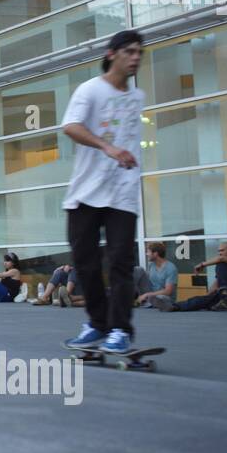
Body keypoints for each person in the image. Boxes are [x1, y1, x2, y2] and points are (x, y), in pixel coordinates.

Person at [62, 30, 146, 356]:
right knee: (84, 261)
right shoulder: (90, 90)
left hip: (123, 193)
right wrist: (107, 147)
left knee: (122, 263)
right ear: (112, 54)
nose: (136, 57)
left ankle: (121, 329)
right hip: (86, 191)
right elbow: (71, 126)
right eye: (129, 51)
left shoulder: (138, 97)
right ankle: (98, 323)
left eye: (139, 52)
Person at [154, 242, 227, 313]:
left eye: (222, 250)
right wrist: (207, 297)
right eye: (218, 251)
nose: (220, 253)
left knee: (221, 264)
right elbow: (216, 284)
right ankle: (172, 306)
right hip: (223, 300)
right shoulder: (223, 268)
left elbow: (221, 259)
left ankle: (226, 300)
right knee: (199, 300)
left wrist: (202, 265)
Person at [135, 242, 178, 309]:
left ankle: (153, 303)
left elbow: (168, 291)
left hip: (164, 297)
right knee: (138, 270)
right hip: (151, 294)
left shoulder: (171, 268)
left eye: (148, 252)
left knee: (161, 297)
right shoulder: (151, 265)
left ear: (155, 253)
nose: (147, 254)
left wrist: (147, 294)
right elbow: (146, 282)